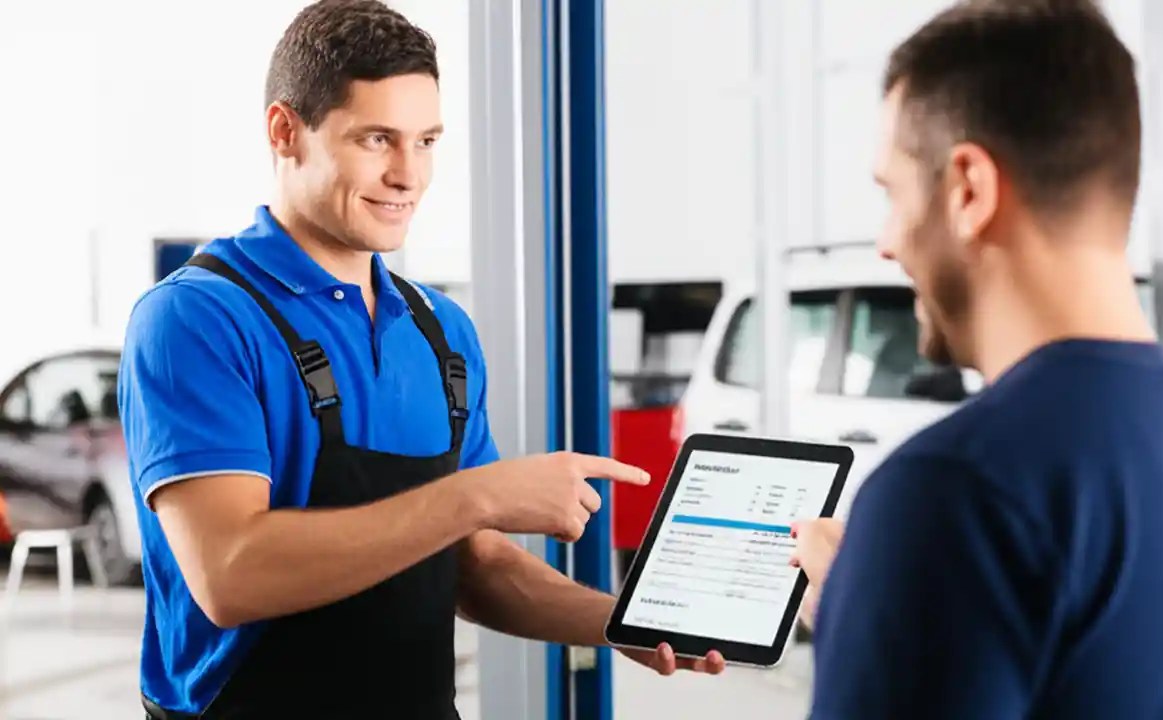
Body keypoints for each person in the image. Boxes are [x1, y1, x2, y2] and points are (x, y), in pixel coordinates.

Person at [117, 1, 724, 717]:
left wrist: (623, 622)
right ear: (286, 132)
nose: (410, 175)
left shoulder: (443, 334)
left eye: (427, 140)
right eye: (377, 139)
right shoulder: (197, 319)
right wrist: (481, 495)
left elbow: (478, 565)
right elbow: (230, 574)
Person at [792, 1, 1163, 718]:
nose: (888, 243)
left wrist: (894, 579)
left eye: (892, 194)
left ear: (968, 190)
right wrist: (874, 602)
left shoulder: (952, 493)